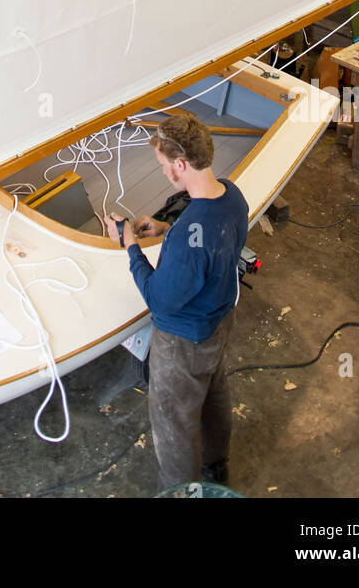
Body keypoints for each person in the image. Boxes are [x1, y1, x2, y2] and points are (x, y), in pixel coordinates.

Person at [106, 112, 247, 491]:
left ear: (181, 164)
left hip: (183, 341)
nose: (164, 172)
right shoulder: (232, 195)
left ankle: (180, 488)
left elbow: (159, 300)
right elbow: (211, 240)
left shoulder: (190, 238)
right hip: (219, 321)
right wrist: (170, 228)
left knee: (173, 423)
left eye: (164, 165)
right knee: (214, 393)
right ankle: (217, 466)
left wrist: (130, 244)